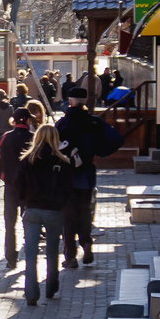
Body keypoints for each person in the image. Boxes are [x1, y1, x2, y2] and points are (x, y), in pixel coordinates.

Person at [55, 87, 124, 267]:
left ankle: (70, 256)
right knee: (85, 211)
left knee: (68, 216)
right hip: (86, 176)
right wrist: (98, 153)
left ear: (70, 101)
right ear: (85, 101)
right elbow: (117, 139)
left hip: (66, 177)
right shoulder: (94, 123)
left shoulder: (62, 124)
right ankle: (86, 244)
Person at [16, 124, 74, 305]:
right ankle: (51, 286)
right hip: (53, 210)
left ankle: (31, 292)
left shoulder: (27, 159)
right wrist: (62, 202)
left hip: (32, 209)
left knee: (31, 253)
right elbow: (68, 187)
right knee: (52, 251)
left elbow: (18, 185)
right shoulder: (61, 161)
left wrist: (25, 200)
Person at [0, 107, 34, 270]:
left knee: (10, 223)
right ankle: (30, 253)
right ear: (29, 120)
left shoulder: (6, 137)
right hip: (30, 186)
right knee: (29, 222)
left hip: (10, 185)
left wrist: (2, 176)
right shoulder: (33, 138)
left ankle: (11, 256)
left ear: (14, 121)